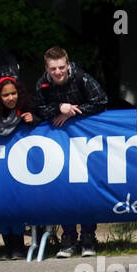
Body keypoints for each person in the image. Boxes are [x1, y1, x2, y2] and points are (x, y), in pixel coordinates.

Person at [32, 46, 107, 257]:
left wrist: (72, 112)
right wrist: (58, 107)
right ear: (47, 68)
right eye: (53, 68)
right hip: (57, 142)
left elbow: (101, 101)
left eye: (62, 67)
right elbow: (36, 108)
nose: (58, 72)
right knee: (64, 187)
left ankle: (88, 237)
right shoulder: (42, 83)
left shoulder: (82, 78)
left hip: (85, 140)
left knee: (86, 186)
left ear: (68, 64)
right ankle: (68, 237)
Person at [0, 75, 36, 258]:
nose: (11, 98)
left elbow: (42, 115)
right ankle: (7, 246)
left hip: (21, 165)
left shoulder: (27, 108)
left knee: (16, 204)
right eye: (6, 95)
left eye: (13, 93)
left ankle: (18, 246)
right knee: (2, 203)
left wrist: (34, 119)